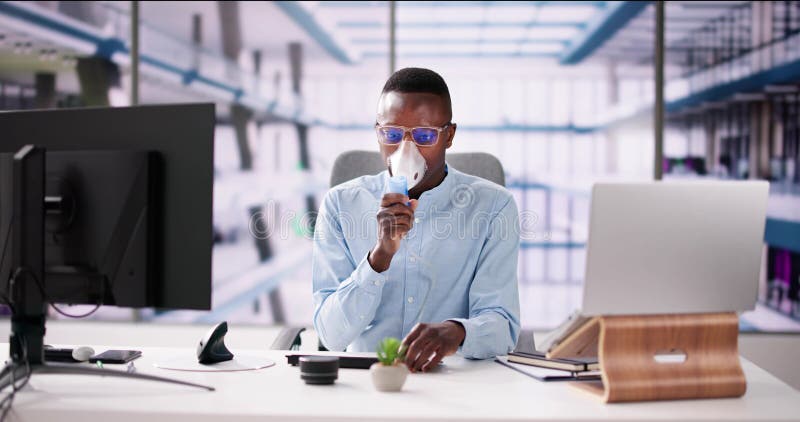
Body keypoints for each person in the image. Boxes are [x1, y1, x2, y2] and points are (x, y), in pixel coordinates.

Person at [312, 68, 520, 373]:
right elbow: (330, 336)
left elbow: (504, 328)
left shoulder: (494, 207)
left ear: (448, 136)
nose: (404, 149)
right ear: (378, 132)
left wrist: (457, 332)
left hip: (455, 382)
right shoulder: (340, 204)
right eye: (392, 134)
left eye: (424, 136)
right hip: (370, 383)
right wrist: (378, 258)